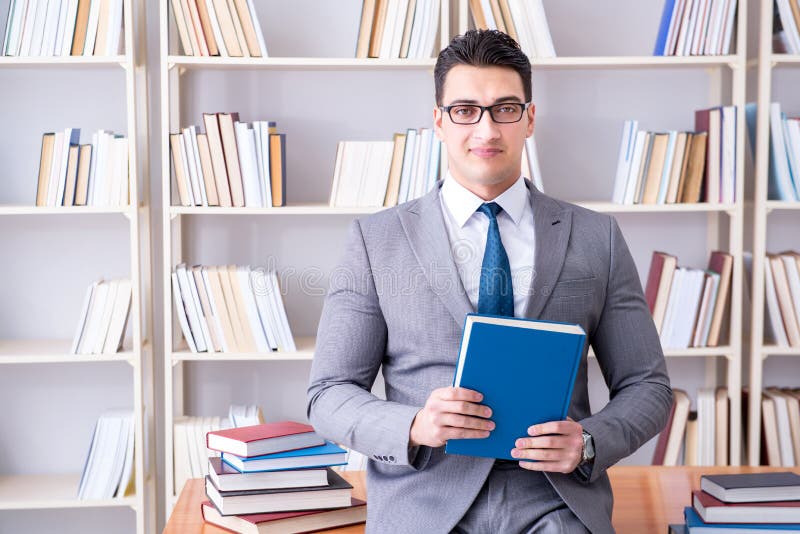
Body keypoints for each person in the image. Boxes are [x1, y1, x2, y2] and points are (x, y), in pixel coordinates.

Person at [307, 29, 672, 534]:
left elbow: (648, 385)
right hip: (424, 502)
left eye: (505, 109)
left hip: (555, 503)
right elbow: (328, 393)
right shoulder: (376, 240)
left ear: (529, 119)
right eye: (465, 110)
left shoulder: (597, 237)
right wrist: (414, 424)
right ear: (439, 121)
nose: (487, 129)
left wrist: (588, 442)